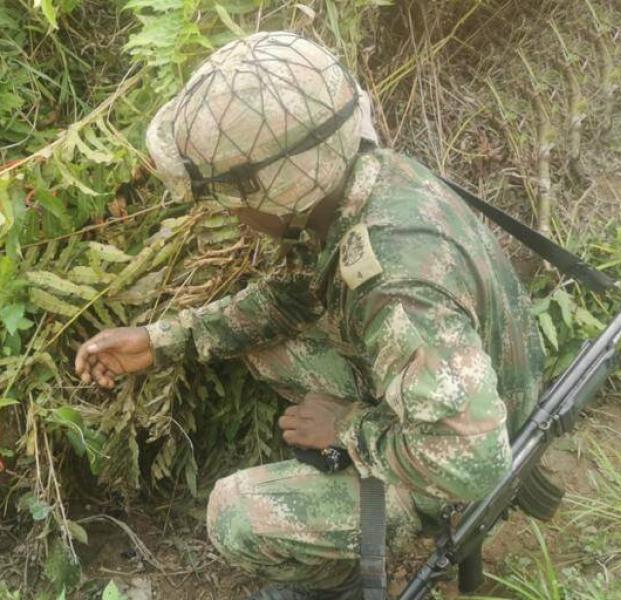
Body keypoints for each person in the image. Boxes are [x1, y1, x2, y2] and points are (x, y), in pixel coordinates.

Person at [73, 32, 544, 600]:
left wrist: (347, 427)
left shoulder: (396, 283)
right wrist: (161, 340)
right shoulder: (356, 185)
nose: (233, 213)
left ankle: (330, 582)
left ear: (277, 190)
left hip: (462, 454)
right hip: (456, 385)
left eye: (231, 198)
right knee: (267, 344)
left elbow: (475, 463)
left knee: (235, 515)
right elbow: (287, 300)